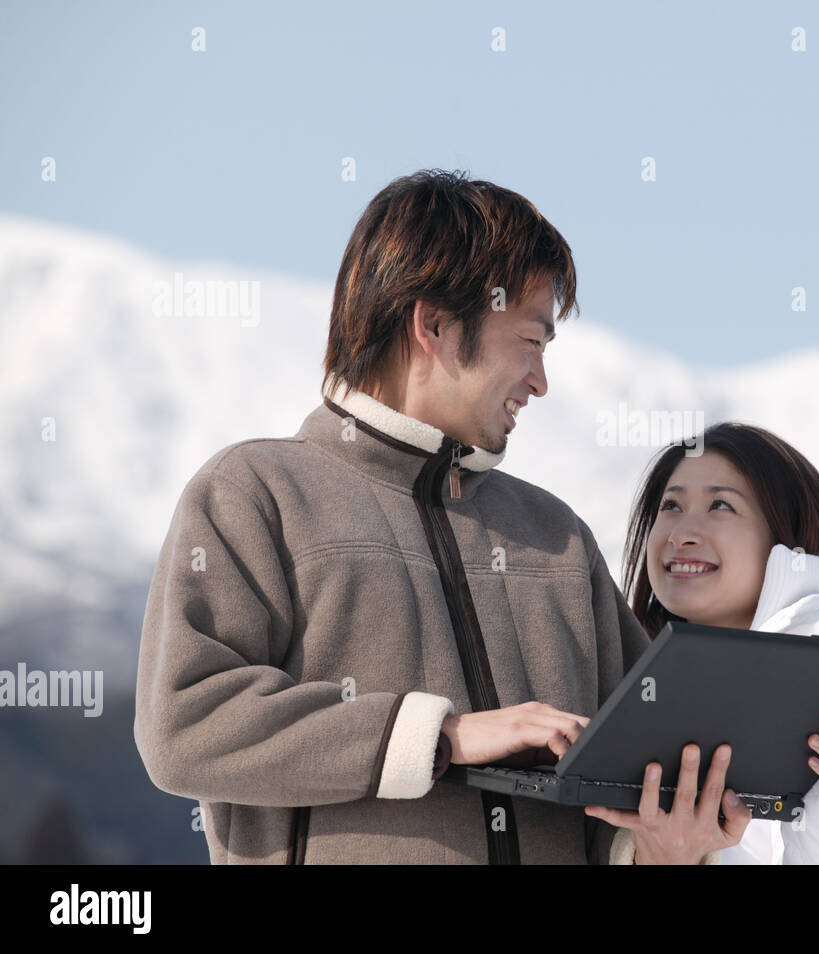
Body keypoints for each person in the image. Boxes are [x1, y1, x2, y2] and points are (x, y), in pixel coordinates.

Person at [133, 169, 749, 864]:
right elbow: (185, 725)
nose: (541, 381)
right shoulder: (256, 493)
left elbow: (633, 774)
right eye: (531, 341)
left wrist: (667, 845)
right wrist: (440, 735)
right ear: (434, 325)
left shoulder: (558, 539)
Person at [585, 422, 819, 864]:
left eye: (720, 505)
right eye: (671, 505)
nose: (681, 532)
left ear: (784, 538)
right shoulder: (619, 681)